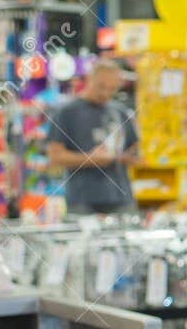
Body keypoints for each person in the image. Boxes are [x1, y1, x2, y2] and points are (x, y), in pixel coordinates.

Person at [46, 60, 139, 216]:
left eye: (112, 89)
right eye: (101, 87)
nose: (105, 93)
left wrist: (127, 157)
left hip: (121, 199)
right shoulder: (66, 113)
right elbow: (55, 157)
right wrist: (90, 159)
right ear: (90, 79)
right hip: (81, 201)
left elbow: (134, 150)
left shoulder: (120, 113)